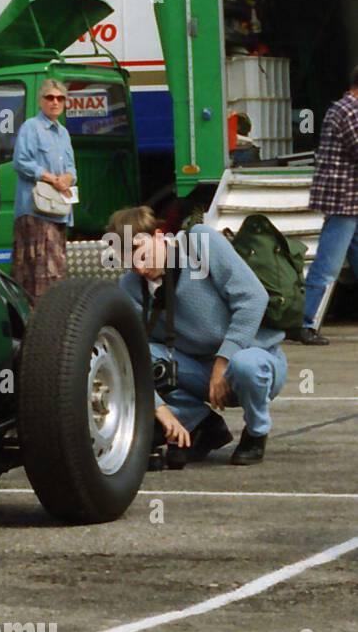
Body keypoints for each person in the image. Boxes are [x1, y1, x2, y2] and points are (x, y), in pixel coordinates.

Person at [111, 205, 287, 468]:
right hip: (197, 369)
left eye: (142, 254)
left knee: (247, 365)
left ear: (159, 236)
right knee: (143, 356)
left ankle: (255, 432)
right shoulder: (131, 287)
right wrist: (160, 410)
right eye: (129, 261)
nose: (138, 268)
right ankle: (203, 426)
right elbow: (131, 354)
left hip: (251, 359)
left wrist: (223, 360)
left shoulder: (199, 243)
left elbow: (253, 298)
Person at [297, 64, 358, 346]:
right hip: (344, 200)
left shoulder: (341, 108)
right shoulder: (349, 111)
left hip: (350, 199)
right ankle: (306, 323)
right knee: (328, 263)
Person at [11, 78, 77, 302]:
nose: (55, 102)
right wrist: (51, 178)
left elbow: (71, 168)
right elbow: (20, 162)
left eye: (60, 98)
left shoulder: (64, 133)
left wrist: (67, 178)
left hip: (58, 211)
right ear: (41, 101)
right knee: (35, 273)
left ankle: (52, 315)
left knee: (55, 270)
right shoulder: (31, 127)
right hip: (35, 210)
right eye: (50, 97)